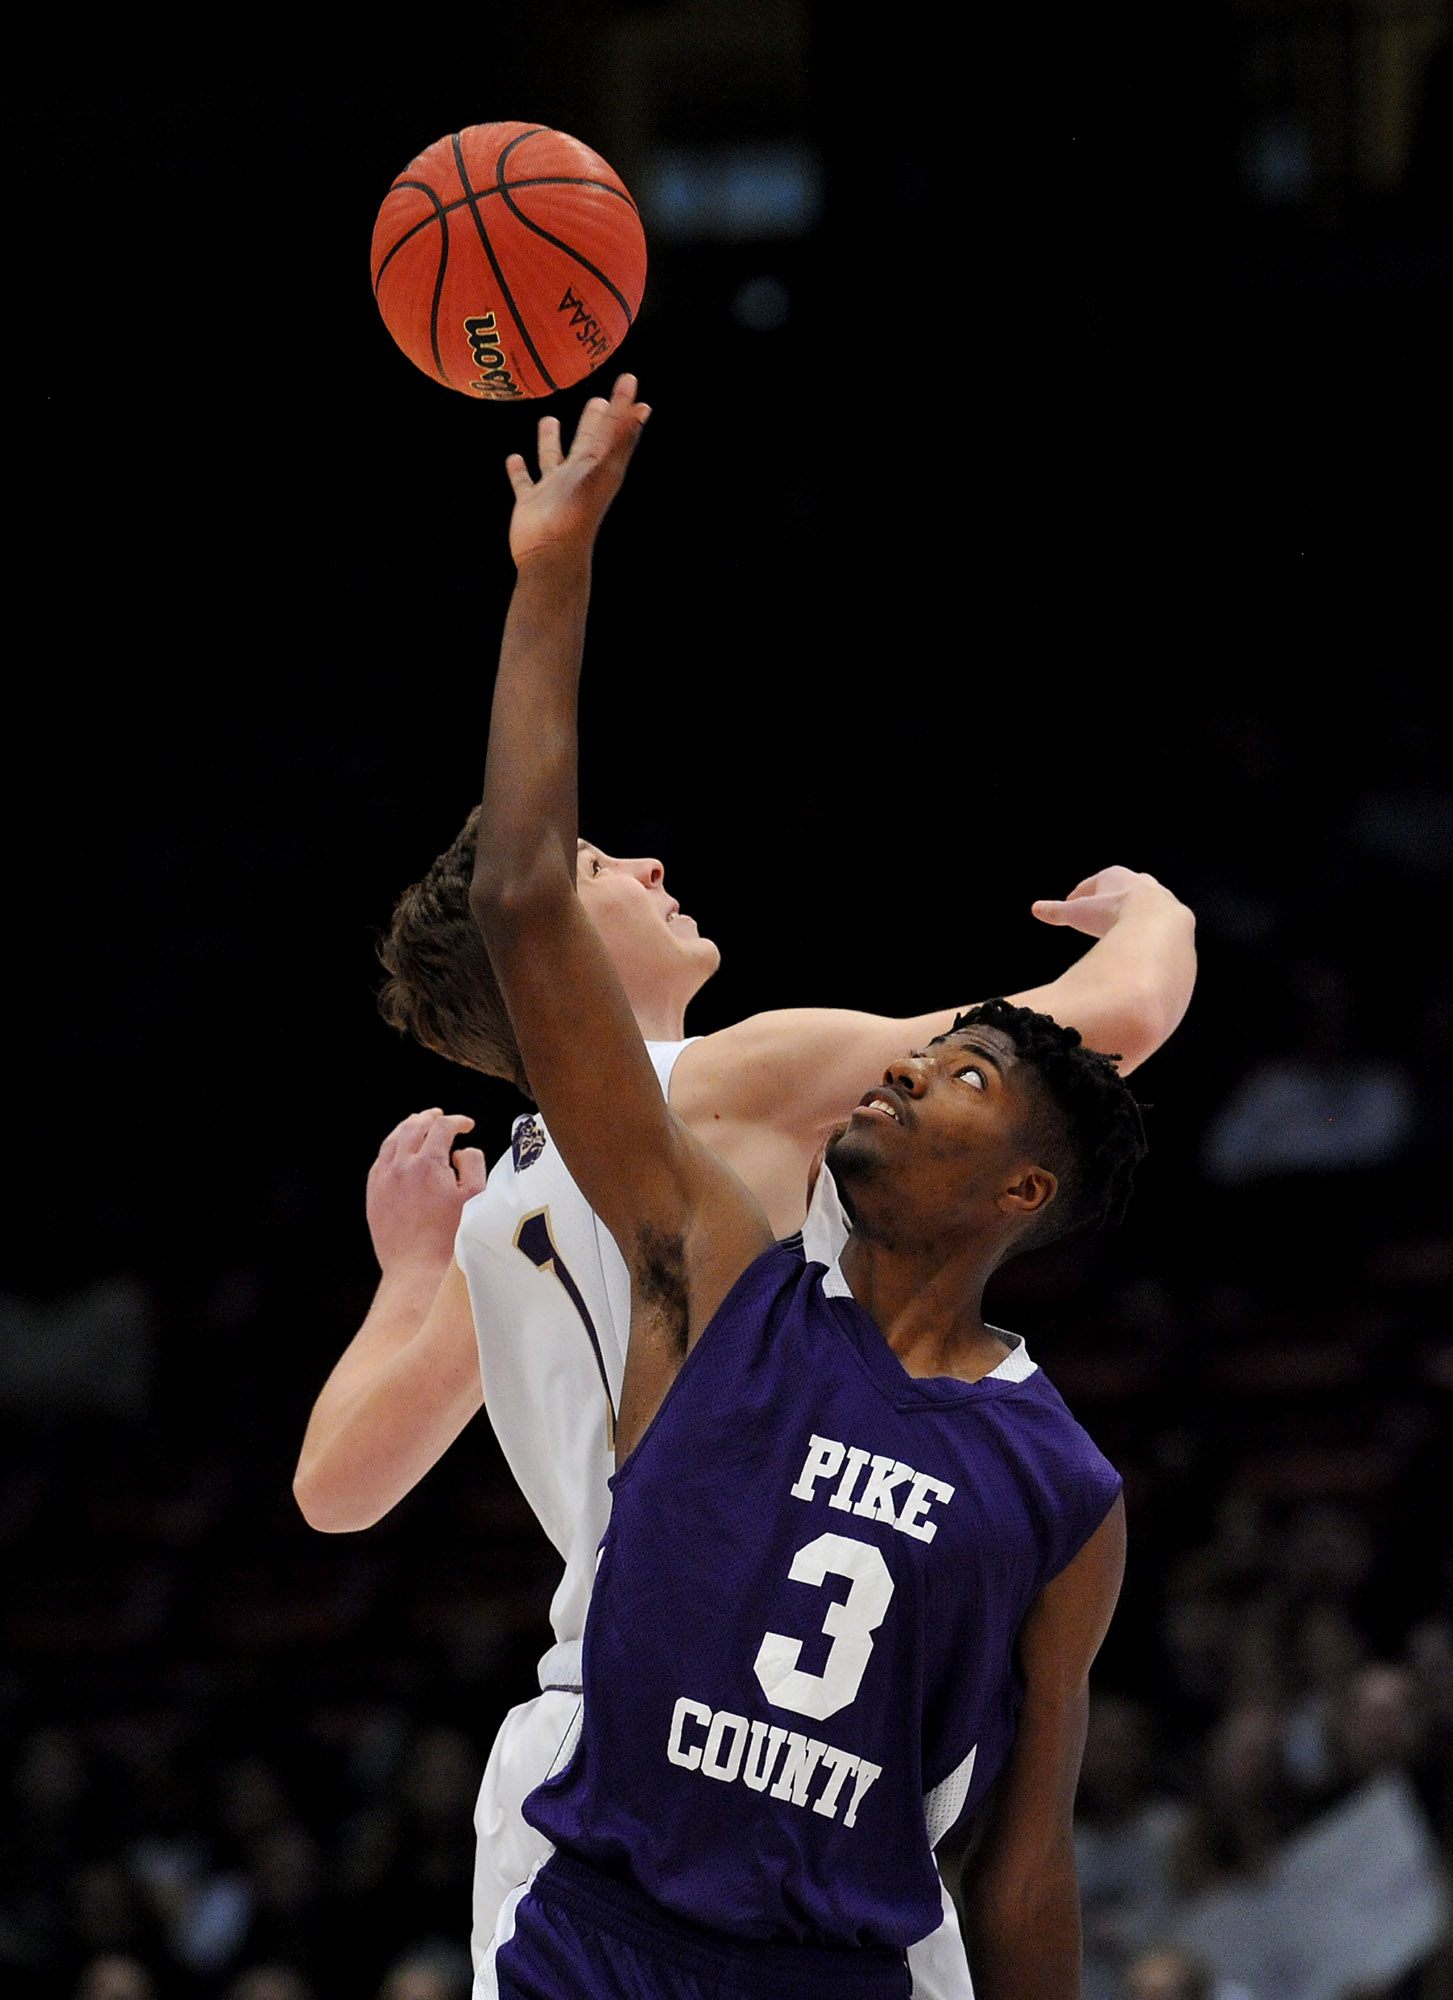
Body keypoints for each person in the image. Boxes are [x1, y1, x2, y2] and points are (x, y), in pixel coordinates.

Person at [295, 499, 1194, 2000]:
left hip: (584, 1739)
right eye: (598, 869)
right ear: (554, 961)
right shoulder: (741, 1082)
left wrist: (404, 1276)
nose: (643, 864)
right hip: (793, 1743)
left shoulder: (512, 1207)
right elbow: (1111, 1028)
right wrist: (1155, 911)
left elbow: (338, 1489)